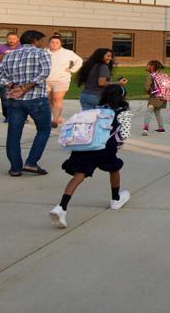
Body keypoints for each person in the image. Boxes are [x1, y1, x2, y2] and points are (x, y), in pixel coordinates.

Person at [49, 84, 133, 228]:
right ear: (122, 98)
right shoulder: (123, 113)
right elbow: (124, 134)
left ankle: (61, 207)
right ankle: (115, 198)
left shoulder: (94, 110)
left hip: (86, 146)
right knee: (114, 168)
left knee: (79, 174)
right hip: (104, 147)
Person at [0, 30, 55, 177]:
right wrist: (27, 86)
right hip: (37, 99)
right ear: (35, 40)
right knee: (43, 130)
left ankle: (15, 168)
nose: (43, 43)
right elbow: (45, 73)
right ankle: (31, 162)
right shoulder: (42, 53)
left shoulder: (9, 55)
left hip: (15, 100)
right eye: (42, 40)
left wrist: (12, 85)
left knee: (14, 135)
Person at [46, 35, 83, 126]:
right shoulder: (44, 52)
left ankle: (55, 120)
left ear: (60, 44)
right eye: (52, 42)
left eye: (57, 42)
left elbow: (79, 61)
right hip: (46, 80)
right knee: (49, 100)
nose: (54, 44)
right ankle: (50, 117)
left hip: (61, 80)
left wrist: (72, 69)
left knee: (57, 99)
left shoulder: (67, 53)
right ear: (49, 43)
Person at [143, 60, 170, 134]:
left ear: (152, 67)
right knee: (157, 111)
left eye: (148, 65)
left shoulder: (150, 75)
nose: (146, 66)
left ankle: (145, 128)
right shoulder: (163, 75)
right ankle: (161, 128)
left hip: (154, 97)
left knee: (148, 112)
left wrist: (148, 91)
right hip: (163, 97)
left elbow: (146, 88)